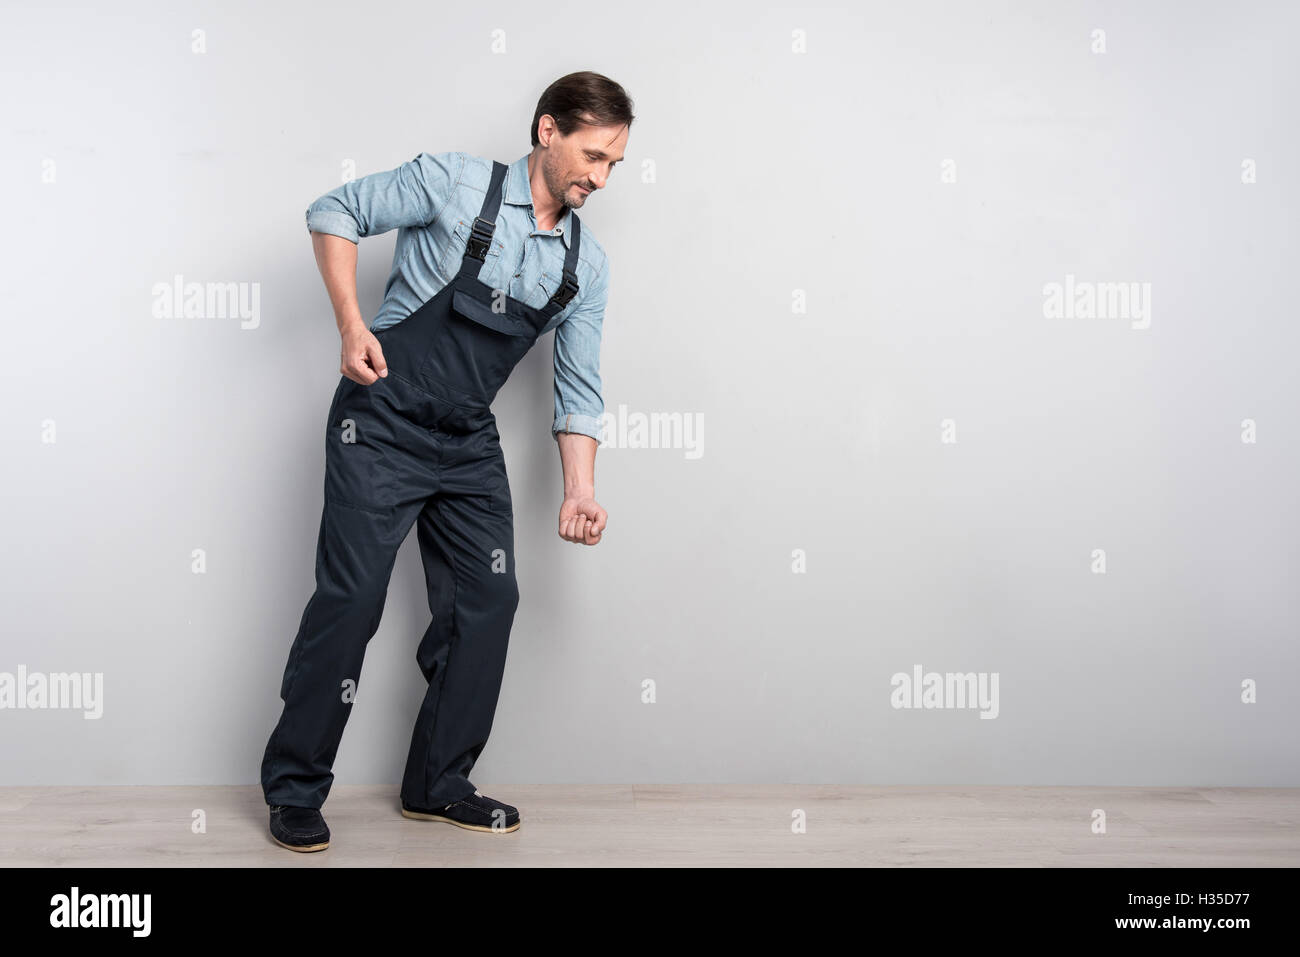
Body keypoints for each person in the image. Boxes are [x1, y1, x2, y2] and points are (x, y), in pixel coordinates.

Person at [260, 71, 633, 852]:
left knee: (488, 601)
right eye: (593, 156)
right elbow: (333, 212)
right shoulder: (455, 183)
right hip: (381, 421)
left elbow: (578, 388)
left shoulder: (583, 268)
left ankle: (439, 782)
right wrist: (351, 323)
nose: (599, 178)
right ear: (547, 132)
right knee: (353, 601)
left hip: (465, 440)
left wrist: (580, 489)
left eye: (613, 166)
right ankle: (296, 787)